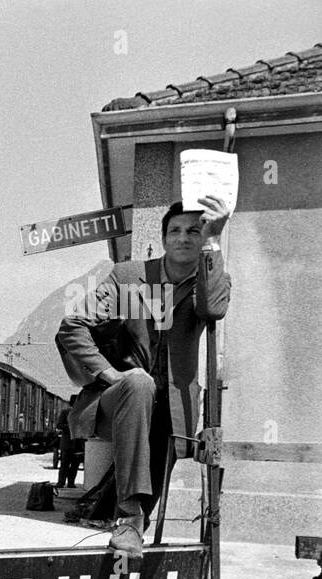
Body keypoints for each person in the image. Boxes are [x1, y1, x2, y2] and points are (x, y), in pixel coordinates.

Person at [56, 196, 231, 560]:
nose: (183, 238)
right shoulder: (130, 277)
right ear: (165, 238)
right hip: (118, 398)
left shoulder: (209, 280)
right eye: (175, 231)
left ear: (204, 238)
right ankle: (130, 518)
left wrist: (215, 242)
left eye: (194, 231)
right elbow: (73, 325)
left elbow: (212, 309)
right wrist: (109, 374)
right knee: (139, 383)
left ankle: (134, 531)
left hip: (172, 409)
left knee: (154, 459)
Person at [54, 395, 80, 489]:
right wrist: (71, 427)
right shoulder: (65, 412)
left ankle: (69, 483)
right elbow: (59, 425)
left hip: (74, 443)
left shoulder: (81, 412)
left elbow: (59, 425)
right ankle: (62, 483)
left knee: (72, 464)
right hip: (70, 442)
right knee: (67, 464)